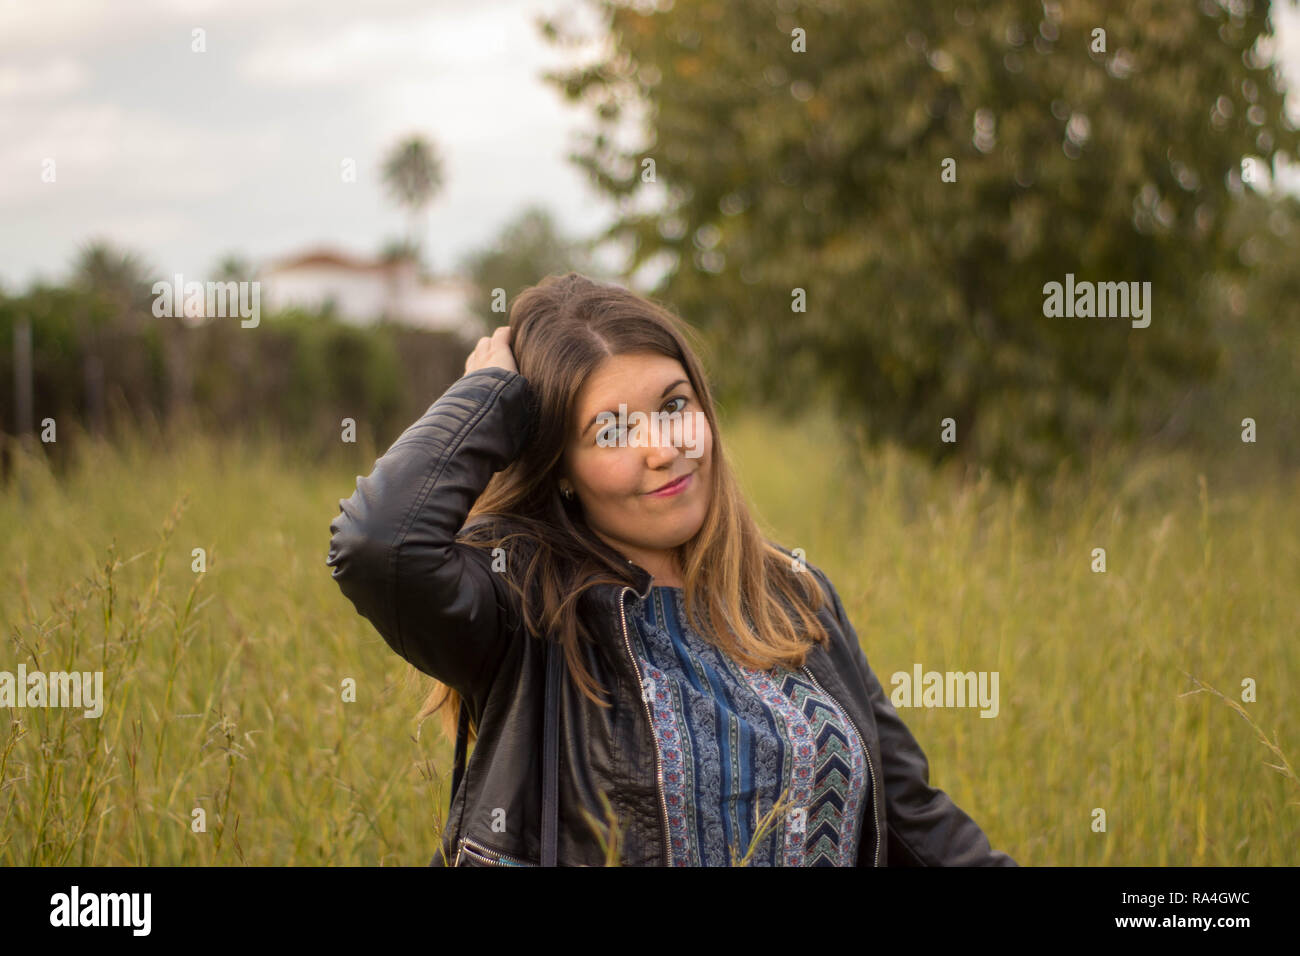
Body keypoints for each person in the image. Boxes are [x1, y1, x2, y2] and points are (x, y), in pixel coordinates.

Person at [326, 271, 1017, 867]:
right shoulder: (524, 603)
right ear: (560, 468)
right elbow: (378, 546)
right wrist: (489, 395)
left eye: (674, 405)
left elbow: (917, 823)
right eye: (612, 430)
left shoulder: (795, 595)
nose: (663, 448)